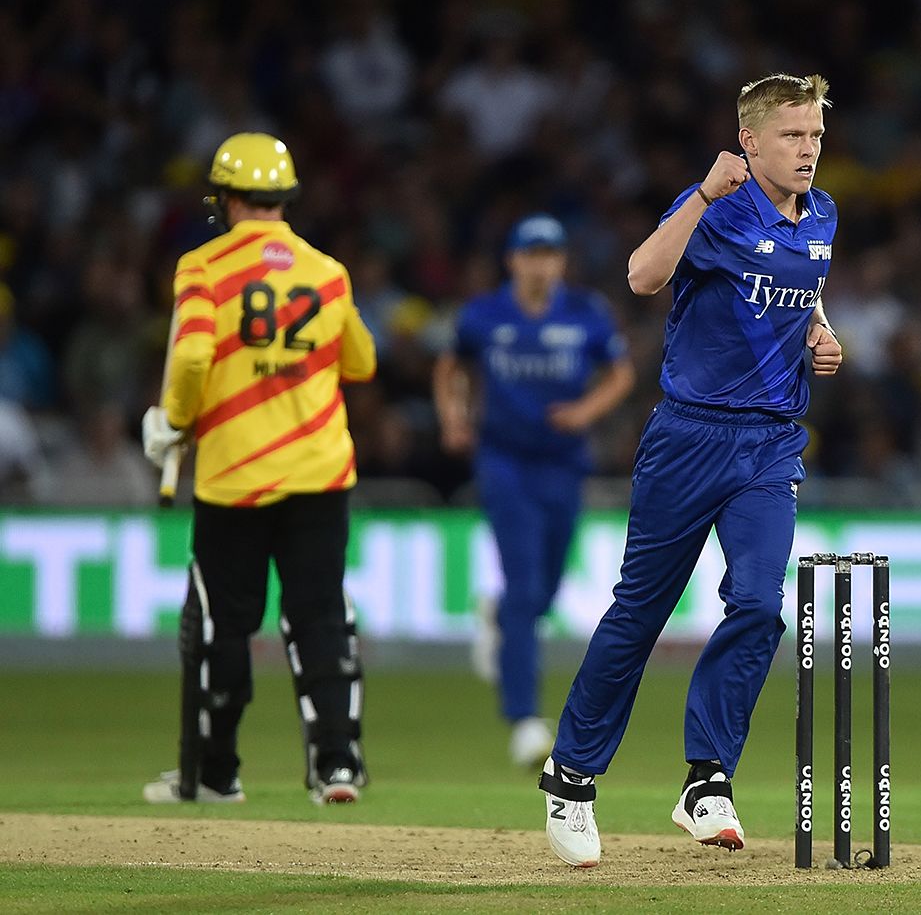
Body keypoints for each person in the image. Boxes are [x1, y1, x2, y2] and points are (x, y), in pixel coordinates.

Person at [538, 74, 843, 867]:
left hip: (772, 444)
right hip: (689, 436)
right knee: (640, 612)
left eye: (813, 135)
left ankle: (707, 779)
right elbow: (642, 276)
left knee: (756, 603)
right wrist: (702, 197)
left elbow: (800, 288)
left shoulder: (824, 215)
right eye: (791, 136)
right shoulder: (715, 205)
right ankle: (571, 778)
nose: (807, 149)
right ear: (749, 140)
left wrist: (821, 331)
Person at [139, 132, 377, 806]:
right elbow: (359, 361)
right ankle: (337, 764)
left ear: (225, 198)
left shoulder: (203, 268)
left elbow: (187, 361)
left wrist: (172, 422)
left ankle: (215, 773)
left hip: (234, 476)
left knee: (224, 623)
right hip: (319, 471)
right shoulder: (327, 271)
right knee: (320, 618)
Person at [433, 214, 634, 768]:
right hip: (504, 461)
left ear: (561, 262)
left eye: (551, 254)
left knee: (542, 590)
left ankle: (498, 618)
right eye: (532, 253)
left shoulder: (586, 313)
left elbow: (621, 374)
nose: (542, 264)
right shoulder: (484, 315)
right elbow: (450, 363)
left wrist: (584, 412)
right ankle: (523, 718)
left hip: (564, 464)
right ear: (513, 261)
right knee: (525, 586)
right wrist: (453, 418)